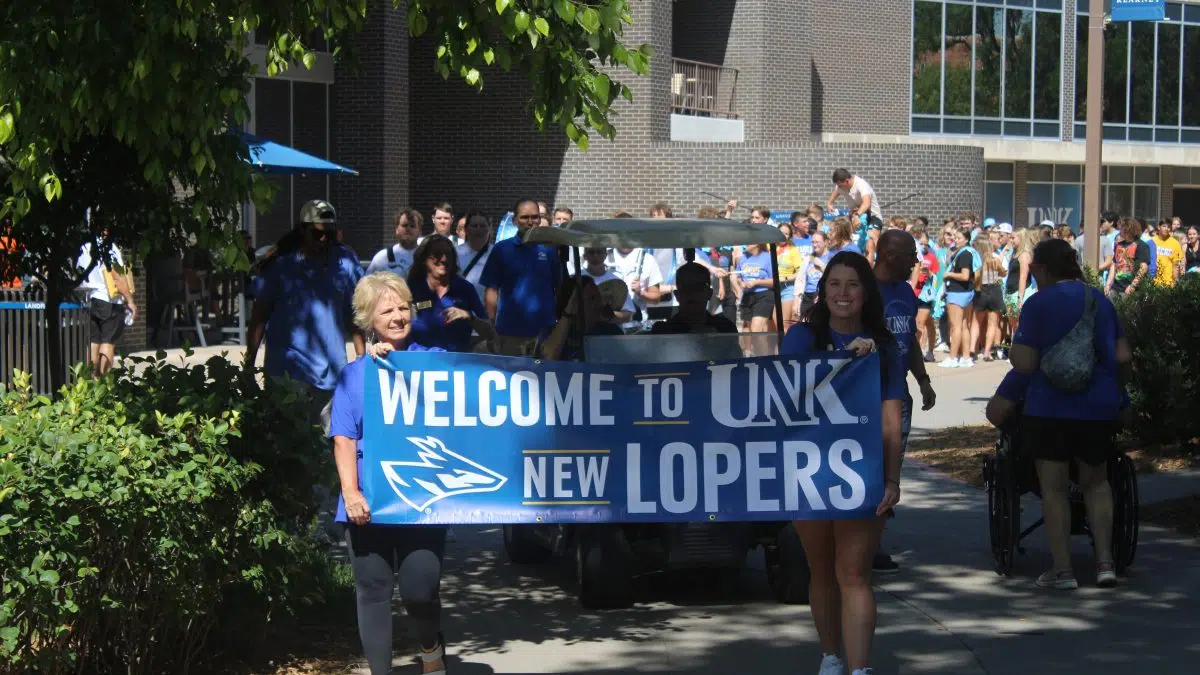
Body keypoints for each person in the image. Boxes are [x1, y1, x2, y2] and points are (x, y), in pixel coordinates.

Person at [781, 251, 903, 675]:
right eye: (835, 284)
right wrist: (844, 363)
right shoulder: (801, 338)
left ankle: (860, 668)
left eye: (853, 284)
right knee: (821, 570)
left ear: (866, 292)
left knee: (853, 574)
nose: (843, 293)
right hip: (807, 466)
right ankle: (831, 656)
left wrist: (892, 478)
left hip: (861, 470)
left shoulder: (884, 348)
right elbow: (787, 398)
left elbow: (892, 417)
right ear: (823, 290)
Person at [329, 272, 449, 675]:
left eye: (403, 307)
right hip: (369, 501)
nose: (398, 316)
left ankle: (431, 648)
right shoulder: (355, 375)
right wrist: (350, 493)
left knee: (420, 587)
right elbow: (343, 438)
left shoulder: (433, 363)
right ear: (368, 320)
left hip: (423, 500)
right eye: (387, 310)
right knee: (374, 589)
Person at [1010, 239, 1131, 590]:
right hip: (1097, 407)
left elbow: (1027, 361)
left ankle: (1063, 570)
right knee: (1097, 483)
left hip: (1049, 407)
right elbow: (1123, 357)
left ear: (1044, 270)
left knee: (1054, 489)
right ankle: (1105, 563)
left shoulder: (1037, 304)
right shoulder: (1100, 301)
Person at [246, 199, 365, 431]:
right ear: (302, 230)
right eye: (317, 234)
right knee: (287, 445)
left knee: (330, 443)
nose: (323, 240)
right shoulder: (280, 266)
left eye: (329, 235)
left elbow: (355, 312)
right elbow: (259, 317)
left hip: (332, 373)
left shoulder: (345, 261)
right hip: (287, 374)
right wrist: (248, 367)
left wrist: (362, 359)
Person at [872, 230, 936, 574]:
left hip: (900, 392)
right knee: (869, 465)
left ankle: (875, 540)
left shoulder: (905, 292)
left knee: (890, 466)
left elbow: (908, 338)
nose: (916, 260)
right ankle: (863, 540)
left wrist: (923, 379)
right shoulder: (863, 291)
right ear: (889, 255)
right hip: (867, 394)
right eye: (911, 254)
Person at [478, 199, 562, 356]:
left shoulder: (550, 249)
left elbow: (558, 288)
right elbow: (491, 290)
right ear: (514, 220)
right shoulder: (502, 249)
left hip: (545, 333)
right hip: (510, 332)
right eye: (524, 217)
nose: (530, 222)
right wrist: (491, 326)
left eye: (535, 217)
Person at [405, 235, 493, 353]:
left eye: (448, 255)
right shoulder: (410, 289)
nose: (444, 259)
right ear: (423, 259)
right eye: (437, 254)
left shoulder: (465, 289)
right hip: (419, 362)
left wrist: (470, 317)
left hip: (456, 365)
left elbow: (489, 332)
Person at [77, 238, 138, 374]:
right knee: (108, 341)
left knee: (94, 341)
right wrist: (130, 300)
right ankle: (105, 379)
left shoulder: (84, 246)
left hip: (89, 298)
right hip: (108, 298)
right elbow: (116, 275)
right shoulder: (108, 247)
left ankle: (92, 377)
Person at [537, 275, 624, 361]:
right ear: (572, 304)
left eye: (598, 297)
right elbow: (547, 359)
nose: (599, 304)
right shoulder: (552, 333)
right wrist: (568, 314)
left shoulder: (611, 332)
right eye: (592, 298)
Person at [650, 262, 738, 334]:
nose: (692, 293)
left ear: (709, 293)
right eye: (686, 288)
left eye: (698, 287)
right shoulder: (662, 332)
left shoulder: (725, 329)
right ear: (677, 295)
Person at [940, 226, 975, 369]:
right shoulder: (964, 252)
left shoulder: (965, 254)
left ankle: (953, 357)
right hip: (966, 293)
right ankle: (966, 357)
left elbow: (965, 276)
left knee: (956, 327)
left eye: (959, 238)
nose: (956, 240)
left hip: (958, 293)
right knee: (964, 326)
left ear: (966, 239)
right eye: (955, 237)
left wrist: (949, 274)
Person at [733, 241, 775, 334]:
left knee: (756, 330)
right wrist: (742, 283)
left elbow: (774, 281)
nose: (746, 244)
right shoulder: (743, 258)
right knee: (749, 331)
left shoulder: (767, 257)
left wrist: (756, 282)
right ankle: (755, 349)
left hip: (764, 295)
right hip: (747, 295)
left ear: (757, 243)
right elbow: (738, 276)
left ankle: (760, 349)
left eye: (749, 242)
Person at [368, 209, 422, 278]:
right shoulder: (382, 257)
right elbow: (366, 284)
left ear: (419, 231)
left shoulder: (427, 257)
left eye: (412, 226)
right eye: (404, 225)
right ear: (397, 230)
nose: (408, 229)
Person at [826, 168, 884, 232]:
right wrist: (829, 203)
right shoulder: (840, 186)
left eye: (840, 185)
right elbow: (835, 192)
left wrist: (857, 215)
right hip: (854, 215)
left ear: (847, 181)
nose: (839, 187)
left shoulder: (861, 184)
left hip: (872, 216)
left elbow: (866, 203)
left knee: (871, 237)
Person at [1105, 217, 1150, 299]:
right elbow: (1114, 265)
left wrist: (1132, 286)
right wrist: (1108, 284)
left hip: (1130, 289)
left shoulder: (1141, 245)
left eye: (1121, 228)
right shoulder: (1118, 245)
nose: (1119, 230)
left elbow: (1143, 268)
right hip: (1115, 288)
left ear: (1128, 229)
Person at [455, 211, 493, 302]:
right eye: (474, 226)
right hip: (461, 309)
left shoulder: (497, 252)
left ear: (489, 229)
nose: (478, 230)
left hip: (488, 311)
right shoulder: (454, 252)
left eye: (482, 226)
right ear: (466, 230)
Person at [794, 231, 831, 322]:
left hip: (822, 296)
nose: (814, 245)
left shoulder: (831, 257)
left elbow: (833, 276)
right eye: (813, 242)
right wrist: (796, 299)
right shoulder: (809, 258)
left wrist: (822, 266)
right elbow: (800, 279)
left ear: (826, 242)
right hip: (807, 296)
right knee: (804, 326)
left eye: (817, 242)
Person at [1151, 217, 1184, 286]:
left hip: (1168, 283)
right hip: (1152, 281)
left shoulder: (1175, 244)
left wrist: (1175, 283)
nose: (1166, 229)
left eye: (1168, 227)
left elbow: (1176, 266)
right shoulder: (1151, 242)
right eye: (1164, 226)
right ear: (1158, 227)